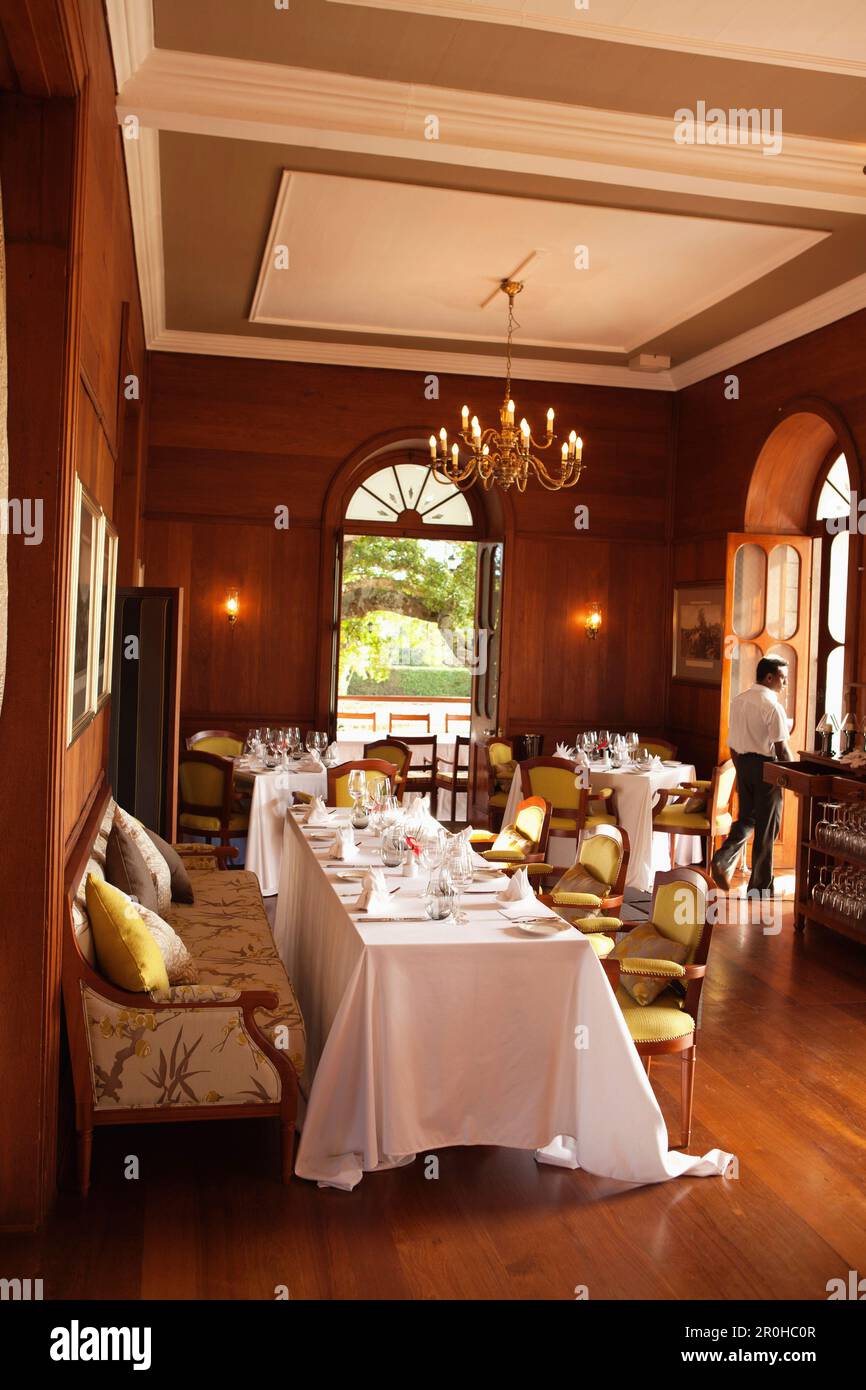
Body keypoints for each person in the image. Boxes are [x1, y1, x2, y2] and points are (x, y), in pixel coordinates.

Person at [711, 656, 793, 895]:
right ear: (770, 677)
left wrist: (742, 768)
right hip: (768, 769)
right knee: (767, 827)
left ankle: (722, 859)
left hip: (742, 763)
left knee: (748, 819)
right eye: (783, 678)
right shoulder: (772, 706)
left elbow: (733, 744)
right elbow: (782, 750)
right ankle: (760, 888)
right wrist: (793, 777)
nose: (784, 683)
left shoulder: (739, 701)